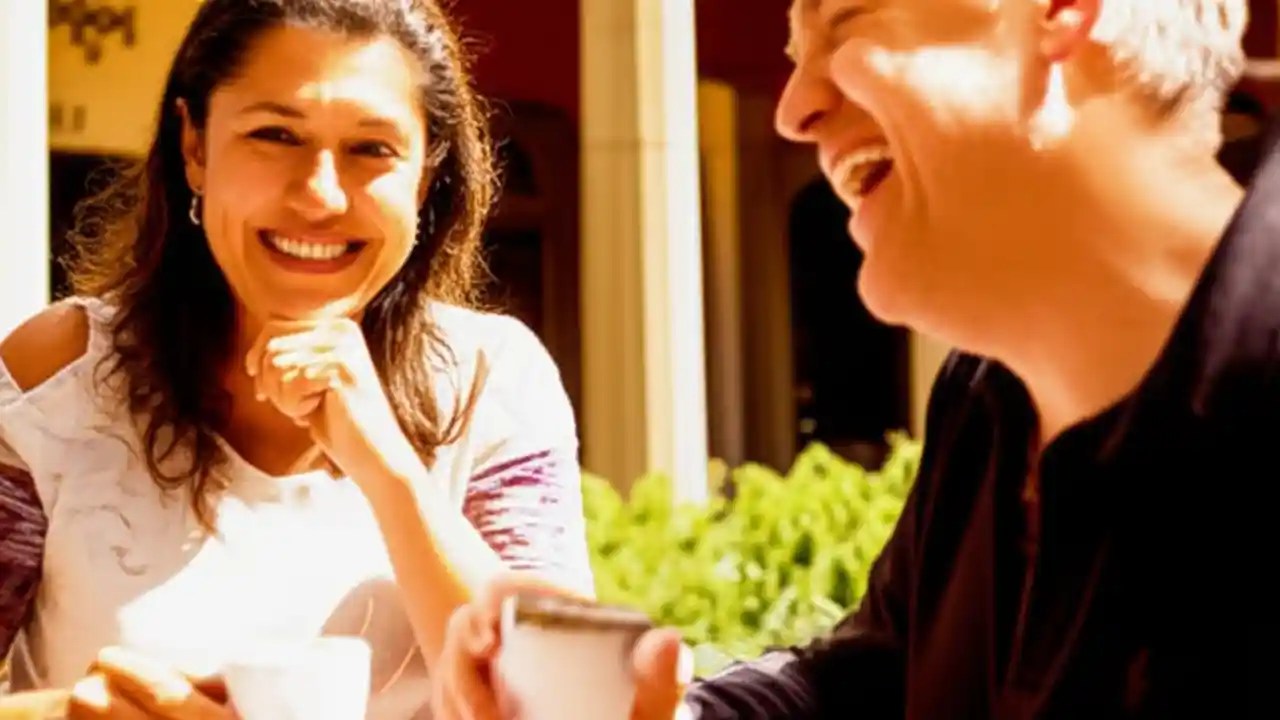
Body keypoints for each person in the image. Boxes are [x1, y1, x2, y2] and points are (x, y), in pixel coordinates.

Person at [432, 0, 1276, 717]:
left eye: (847, 23)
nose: (793, 108)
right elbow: (860, 685)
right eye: (797, 57)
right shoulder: (988, 401)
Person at [0, 0, 593, 717]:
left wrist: (386, 464)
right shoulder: (59, 377)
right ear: (194, 146)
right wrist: (62, 713)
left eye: (371, 149)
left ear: (427, 170)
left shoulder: (492, 383)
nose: (320, 195)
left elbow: (566, 705)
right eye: (274, 134)